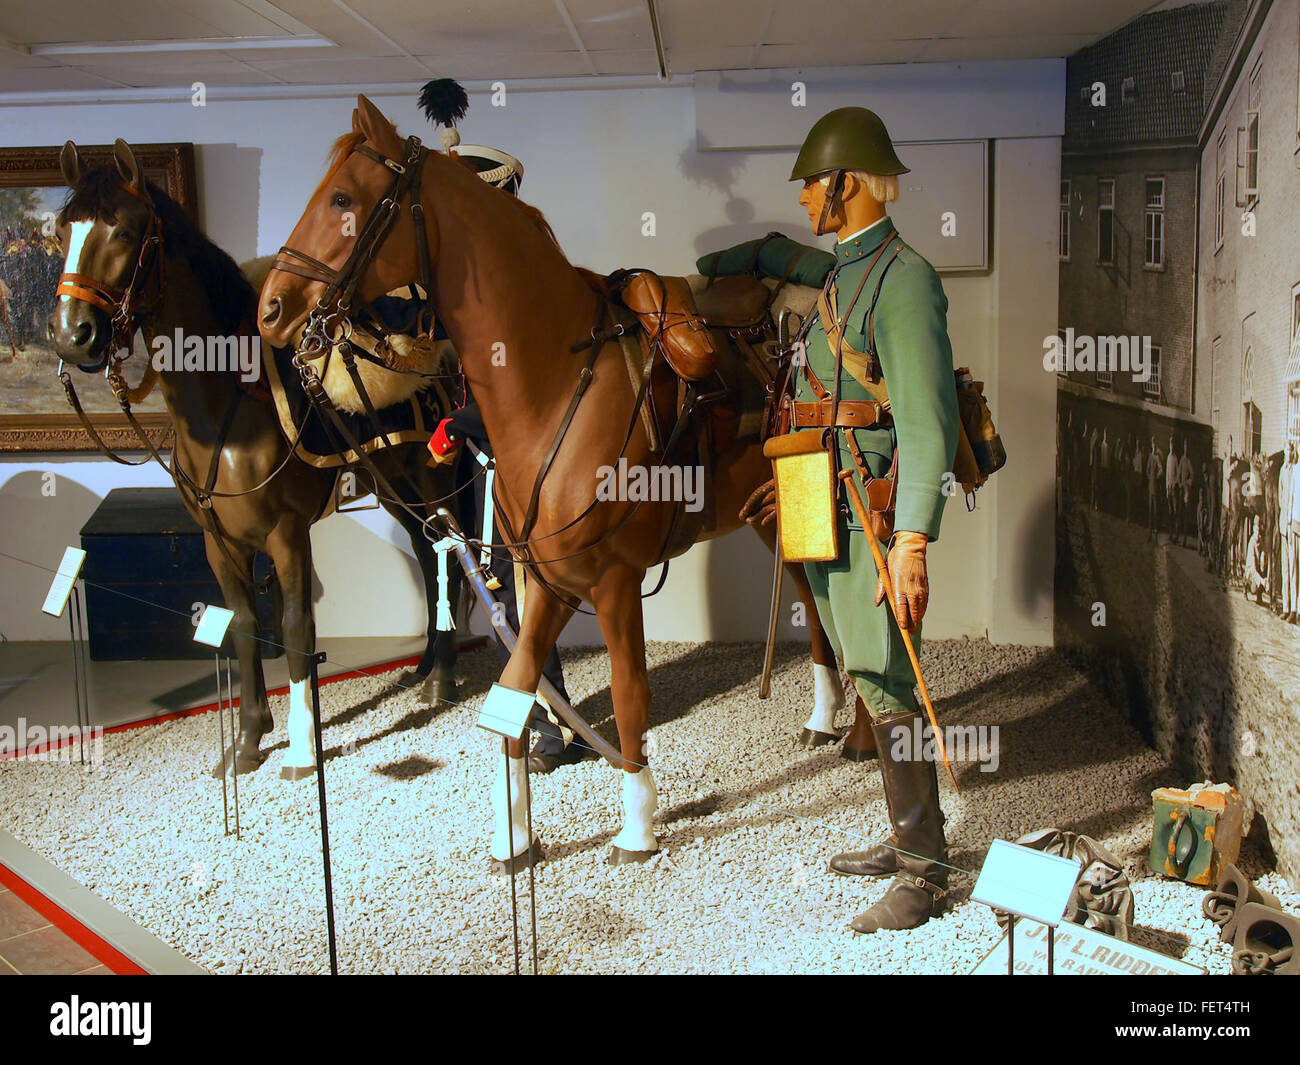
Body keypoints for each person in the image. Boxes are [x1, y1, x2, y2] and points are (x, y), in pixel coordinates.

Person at [775, 107, 961, 933]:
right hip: (823, 495)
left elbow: (926, 419)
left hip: (870, 506)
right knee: (866, 667)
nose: (807, 195)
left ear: (846, 183)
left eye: (814, 182)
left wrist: (913, 536)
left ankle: (924, 871)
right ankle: (907, 834)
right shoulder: (841, 272)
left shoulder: (904, 277)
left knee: (889, 676)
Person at [1282, 442, 1299, 623]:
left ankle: (1294, 608)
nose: (1288, 454)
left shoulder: (1295, 471)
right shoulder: (1283, 471)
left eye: (1290, 451)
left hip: (1292, 523)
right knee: (1285, 568)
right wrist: (1283, 519)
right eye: (1286, 451)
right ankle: (1286, 606)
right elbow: (1281, 497)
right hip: (1283, 524)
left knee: (1293, 568)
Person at [1146, 437, 1164, 542]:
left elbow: (1161, 469)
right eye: (1152, 445)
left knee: (1155, 509)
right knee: (1150, 509)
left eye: (1155, 445)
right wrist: (1150, 477)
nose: (1154, 447)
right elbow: (1147, 470)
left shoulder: (1157, 458)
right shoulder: (1150, 457)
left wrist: (1157, 476)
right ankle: (1150, 530)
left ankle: (1156, 530)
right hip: (1150, 486)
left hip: (1156, 487)